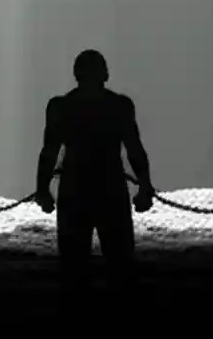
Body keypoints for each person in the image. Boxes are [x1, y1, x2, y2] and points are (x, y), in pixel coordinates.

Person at [36, 50, 154, 298]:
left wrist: (43, 189)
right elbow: (134, 150)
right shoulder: (119, 106)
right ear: (105, 74)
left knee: (73, 269)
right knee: (119, 266)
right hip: (110, 188)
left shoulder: (61, 107)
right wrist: (144, 186)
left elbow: (49, 151)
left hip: (74, 188)